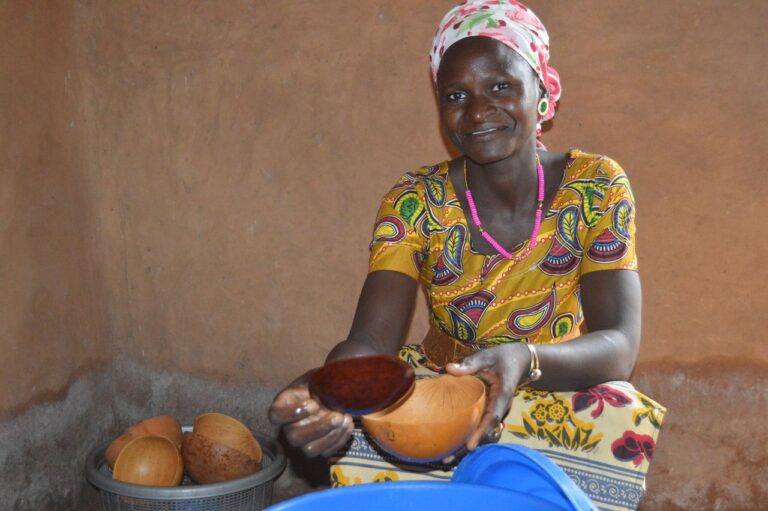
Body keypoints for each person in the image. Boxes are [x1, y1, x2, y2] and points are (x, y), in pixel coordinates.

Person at [270, 1, 665, 509]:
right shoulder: (415, 201)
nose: (478, 111)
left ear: (543, 90)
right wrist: (326, 391)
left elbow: (620, 346)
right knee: (368, 431)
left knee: (613, 421)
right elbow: (370, 340)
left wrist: (524, 358)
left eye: (501, 86)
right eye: (456, 95)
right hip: (445, 389)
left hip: (559, 379)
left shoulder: (596, 186)